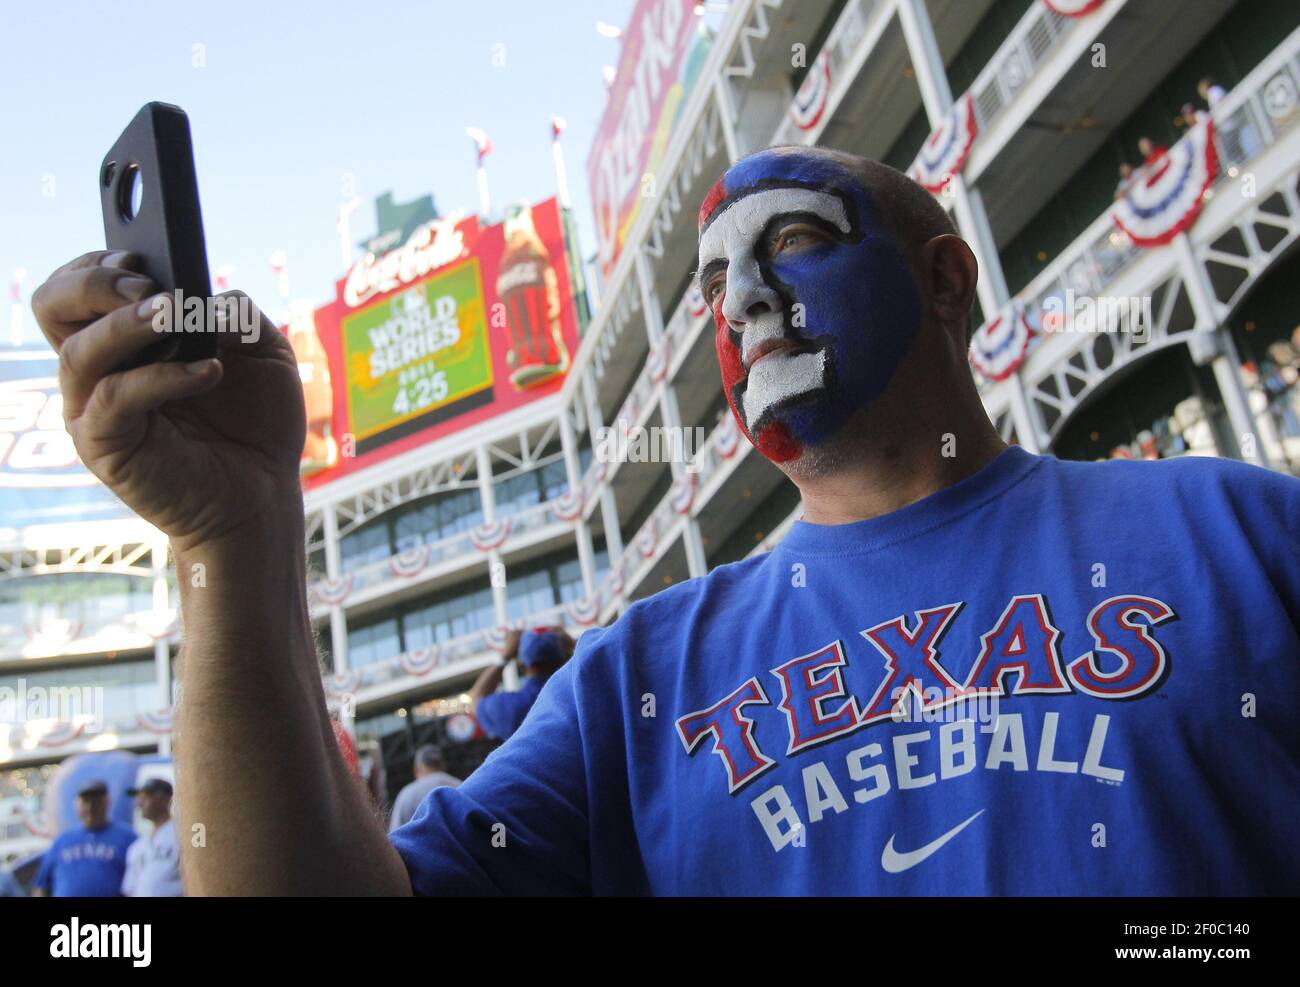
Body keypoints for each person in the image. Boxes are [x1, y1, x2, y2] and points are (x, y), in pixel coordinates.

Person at [31, 145, 1299, 895]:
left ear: (943, 279)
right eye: (710, 285)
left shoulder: (1242, 532)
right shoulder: (636, 675)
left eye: (790, 240)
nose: (742, 300)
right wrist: (232, 543)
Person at [31, 781, 138, 897]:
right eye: (85, 802)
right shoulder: (63, 841)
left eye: (95, 802)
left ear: (107, 802)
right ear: (76, 805)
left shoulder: (128, 838)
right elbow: (42, 886)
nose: (90, 808)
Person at [469, 627, 573, 741]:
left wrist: (506, 656)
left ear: (522, 665)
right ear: (561, 659)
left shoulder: (515, 706)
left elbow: (476, 700)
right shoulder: (576, 693)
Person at [121, 779, 183, 897]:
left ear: (165, 800)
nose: (139, 803)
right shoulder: (137, 846)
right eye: (139, 798)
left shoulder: (182, 835)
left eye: (146, 797)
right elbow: (130, 889)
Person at [387, 746, 460, 833]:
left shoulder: (407, 793)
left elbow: (395, 835)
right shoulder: (460, 785)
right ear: (443, 766)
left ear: (417, 769)